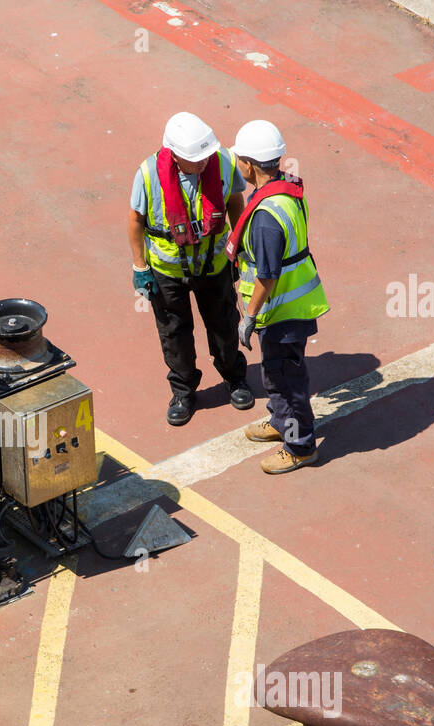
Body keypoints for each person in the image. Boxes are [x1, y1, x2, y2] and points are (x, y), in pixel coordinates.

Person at [129, 112, 254, 427]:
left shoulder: (222, 161)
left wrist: (237, 245)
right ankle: (183, 392)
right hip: (168, 272)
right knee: (174, 333)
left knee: (224, 324)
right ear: (173, 154)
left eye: (204, 156)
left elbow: (234, 201)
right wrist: (139, 267)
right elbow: (135, 221)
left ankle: (235, 379)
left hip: (214, 266)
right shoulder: (147, 174)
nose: (202, 163)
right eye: (193, 158)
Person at [226, 119, 329, 475]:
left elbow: (267, 277)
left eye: (239, 158)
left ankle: (300, 446)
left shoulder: (266, 217)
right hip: (292, 307)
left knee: (286, 380)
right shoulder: (286, 193)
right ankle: (280, 420)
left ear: (250, 165)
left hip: (281, 313)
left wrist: (249, 317)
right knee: (277, 375)